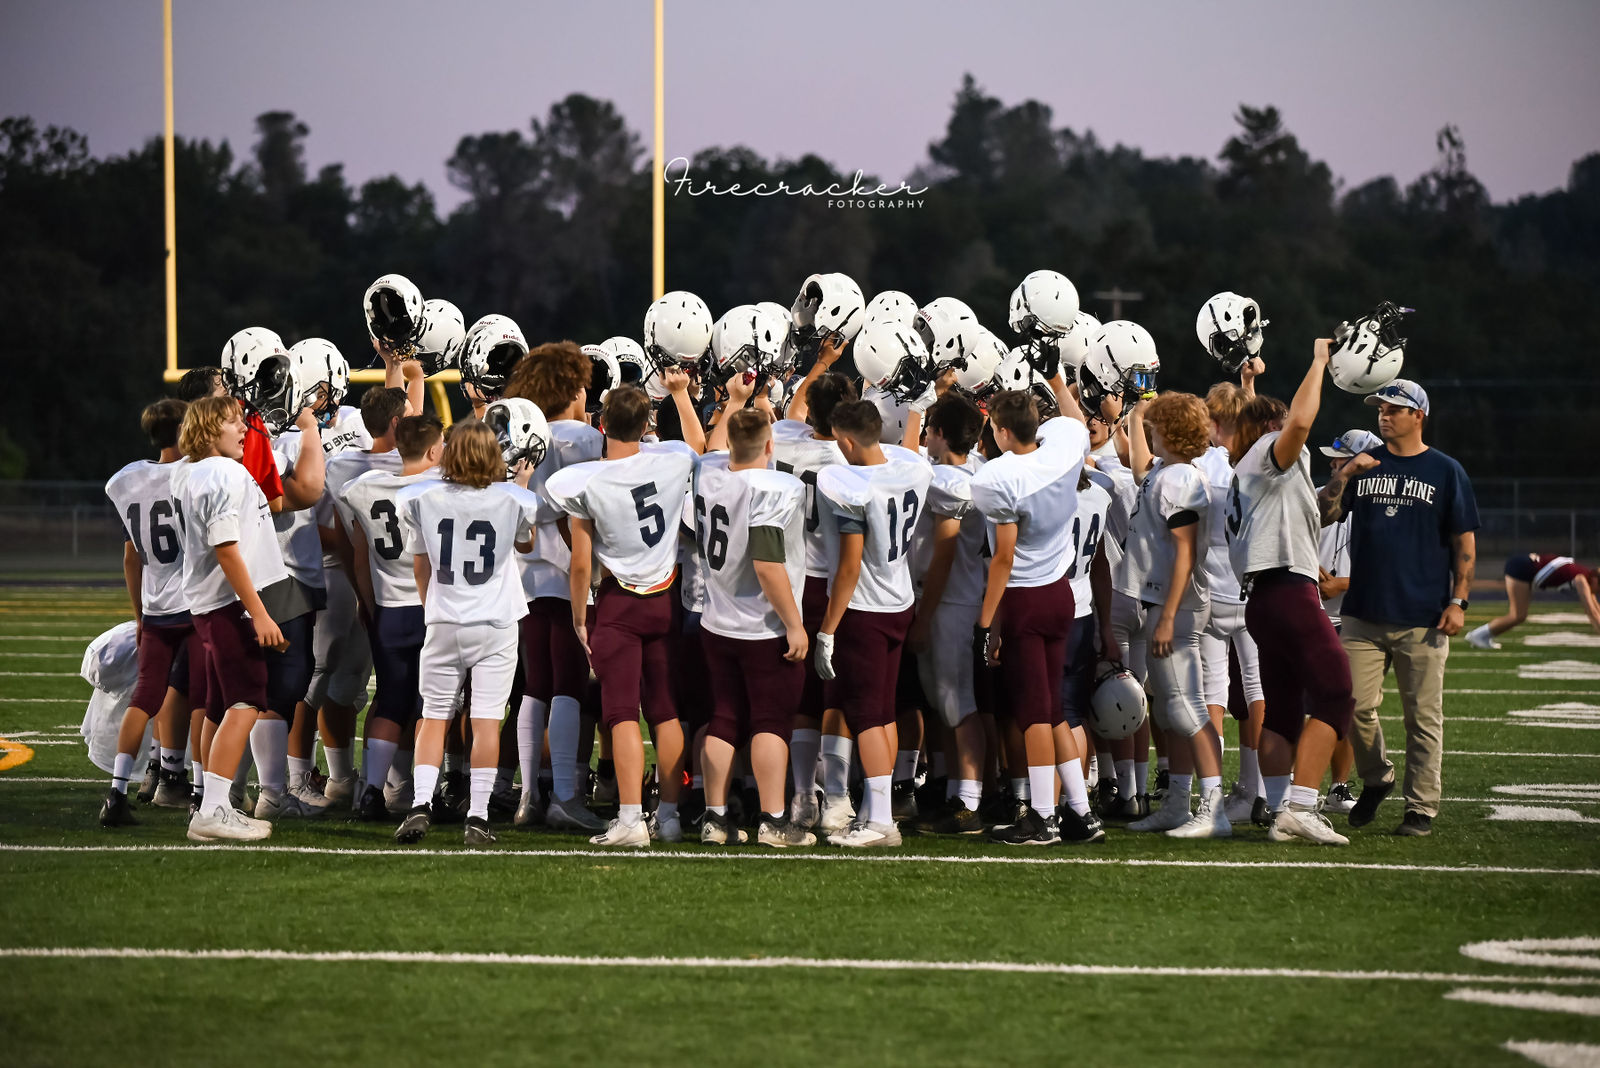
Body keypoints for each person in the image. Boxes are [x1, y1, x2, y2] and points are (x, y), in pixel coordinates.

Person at [1318, 378, 1479, 837]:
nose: (1384, 415)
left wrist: (1459, 600)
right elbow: (1325, 513)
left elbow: (1463, 540)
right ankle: (1377, 777)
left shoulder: (1447, 471)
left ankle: (1420, 809)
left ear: (1418, 415)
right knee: (1351, 706)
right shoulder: (1364, 467)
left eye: (1393, 409)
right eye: (1380, 409)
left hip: (1423, 614)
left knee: (1422, 718)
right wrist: (1345, 474)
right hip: (1363, 612)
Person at [545, 385, 698, 848]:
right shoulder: (673, 459)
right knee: (666, 711)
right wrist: (682, 394)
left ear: (602, 424)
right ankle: (668, 816)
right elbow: (697, 445)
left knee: (621, 713)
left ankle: (631, 818)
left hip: (619, 602)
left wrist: (578, 617)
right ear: (647, 423)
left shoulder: (587, 480)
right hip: (666, 597)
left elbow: (580, 563)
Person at [1230, 344, 1360, 845]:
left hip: (1263, 599)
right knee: (1335, 691)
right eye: (1279, 421)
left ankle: (1283, 808)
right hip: (1287, 590)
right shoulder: (1269, 455)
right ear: (1269, 430)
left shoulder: (1251, 469)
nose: (1290, 425)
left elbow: (1317, 506)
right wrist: (1319, 362)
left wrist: (1248, 389)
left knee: (1283, 712)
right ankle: (1302, 805)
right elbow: (1297, 425)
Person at [392, 420, 541, 847]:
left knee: (434, 716)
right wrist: (522, 483)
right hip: (495, 622)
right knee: (487, 721)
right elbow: (525, 544)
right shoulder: (515, 498)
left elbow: (421, 563)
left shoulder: (421, 497)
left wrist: (431, 606)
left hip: (444, 620)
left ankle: (420, 805)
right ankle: (477, 815)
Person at [971, 389, 1103, 845]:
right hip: (1061, 593)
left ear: (1002, 430)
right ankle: (1082, 815)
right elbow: (1070, 423)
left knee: (1033, 716)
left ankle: (1043, 818)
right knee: (1054, 712)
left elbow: (1002, 559)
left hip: (1025, 598)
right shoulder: (1065, 446)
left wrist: (986, 623)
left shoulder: (999, 476)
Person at [813, 399, 932, 847]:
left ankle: (881, 820)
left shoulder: (849, 484)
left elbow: (848, 566)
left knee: (865, 714)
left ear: (844, 440)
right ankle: (877, 810)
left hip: (864, 608)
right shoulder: (909, 470)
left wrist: (827, 628)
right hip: (900, 601)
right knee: (881, 710)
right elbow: (907, 452)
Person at [693, 409, 815, 846]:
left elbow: (708, 450)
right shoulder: (773, 486)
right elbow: (767, 564)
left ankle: (714, 817)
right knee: (770, 722)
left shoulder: (707, 471)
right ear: (770, 446)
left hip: (717, 620)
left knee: (724, 717)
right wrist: (795, 624)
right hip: (762, 626)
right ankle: (775, 821)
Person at [170, 396, 288, 843]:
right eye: (232, 423)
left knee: (221, 706)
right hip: (228, 603)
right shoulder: (221, 473)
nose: (242, 430)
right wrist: (257, 612)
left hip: (210, 602)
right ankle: (214, 810)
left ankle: (211, 802)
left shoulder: (190, 471)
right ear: (206, 429)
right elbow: (226, 548)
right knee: (245, 702)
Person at [503, 342, 607, 832]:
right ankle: (564, 793)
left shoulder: (520, 432)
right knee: (568, 685)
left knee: (536, 686)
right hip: (573, 578)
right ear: (571, 388)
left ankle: (528, 795)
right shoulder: (586, 441)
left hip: (526, 578)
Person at [1121, 393, 1227, 839]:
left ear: (1172, 430)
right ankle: (1178, 803)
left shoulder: (1180, 478)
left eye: (1157, 426)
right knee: (1170, 709)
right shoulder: (1170, 472)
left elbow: (1184, 553)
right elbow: (1140, 466)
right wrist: (1137, 414)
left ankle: (1215, 808)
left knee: (1187, 709)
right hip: (1165, 600)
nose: (1151, 432)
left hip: (1176, 605)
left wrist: (1166, 617)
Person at [100, 399, 203, 825]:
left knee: (144, 698)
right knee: (201, 698)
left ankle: (116, 793)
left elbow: (131, 557)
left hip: (157, 607)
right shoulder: (198, 474)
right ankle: (200, 793)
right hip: (197, 603)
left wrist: (140, 616)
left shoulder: (127, 479)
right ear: (185, 430)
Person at [337, 414, 444, 820]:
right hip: (432, 609)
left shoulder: (362, 489)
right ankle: (422, 796)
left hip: (388, 611)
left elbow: (361, 557)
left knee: (389, 703)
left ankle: (371, 791)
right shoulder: (440, 490)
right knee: (427, 706)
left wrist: (367, 602)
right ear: (434, 450)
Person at [773, 353, 853, 830]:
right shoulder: (849, 459)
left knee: (801, 698)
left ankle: (804, 795)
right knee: (835, 696)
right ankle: (838, 798)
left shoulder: (784, 438)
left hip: (789, 582)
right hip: (828, 584)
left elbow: (793, 414)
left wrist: (820, 362)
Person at [909, 394, 990, 836]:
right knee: (944, 703)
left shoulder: (948, 481)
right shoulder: (975, 469)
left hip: (950, 601)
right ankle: (955, 790)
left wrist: (924, 617)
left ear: (940, 433)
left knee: (959, 704)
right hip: (954, 597)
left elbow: (942, 555)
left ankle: (969, 803)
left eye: (930, 430)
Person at [1314, 428, 1381, 814]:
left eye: (1341, 458)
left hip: (1355, 617)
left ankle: (1339, 786)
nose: (1333, 463)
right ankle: (1290, 786)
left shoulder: (1378, 505)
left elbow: (1388, 568)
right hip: (1316, 612)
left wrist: (1343, 583)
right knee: (1305, 703)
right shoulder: (1324, 496)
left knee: (1348, 706)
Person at [1467, 553, 1600, 648]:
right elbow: (1591, 612)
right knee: (1517, 615)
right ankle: (1478, 635)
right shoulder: (1581, 579)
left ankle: (1481, 636)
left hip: (1526, 565)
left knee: (1519, 616)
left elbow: (1596, 609)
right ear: (1595, 580)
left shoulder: (1586, 578)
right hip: (1522, 567)